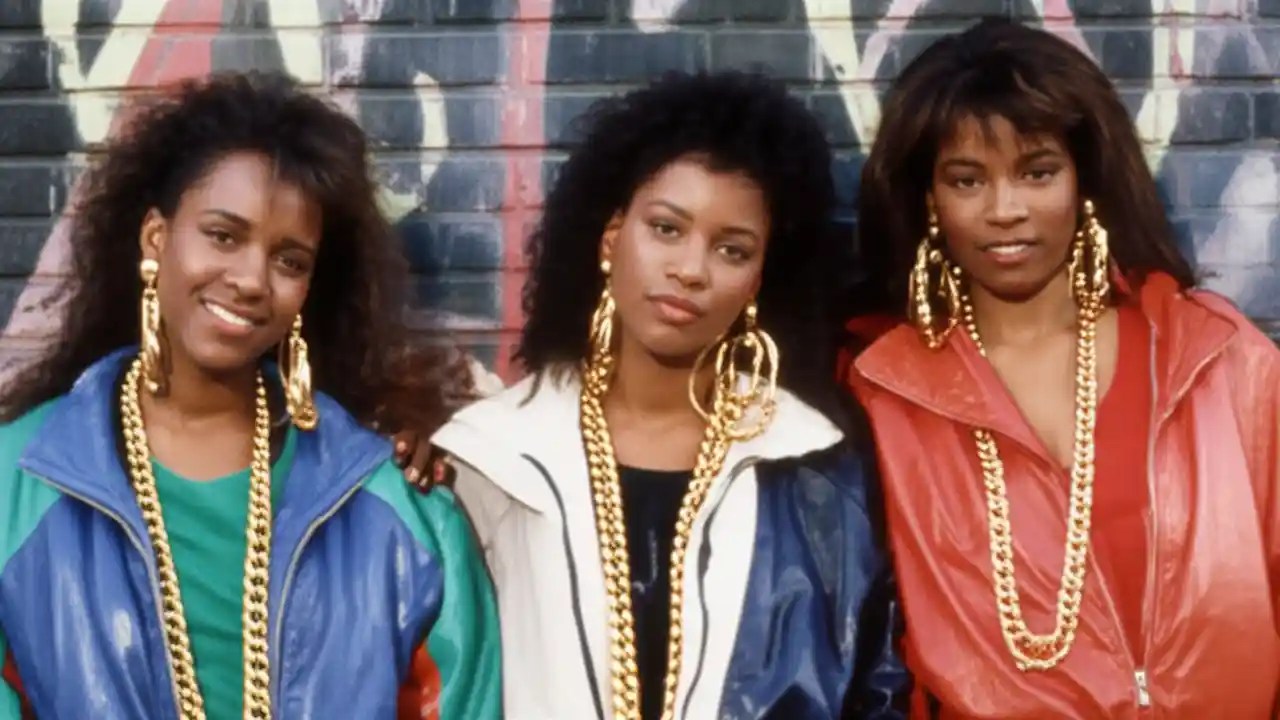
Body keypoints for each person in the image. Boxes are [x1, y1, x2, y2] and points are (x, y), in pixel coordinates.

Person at [0, 72, 500, 719]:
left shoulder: (393, 504)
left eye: (289, 260)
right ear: (156, 238)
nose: (251, 280)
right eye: (223, 235)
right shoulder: (19, 482)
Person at [416, 71, 909, 720]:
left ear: (758, 280)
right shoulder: (490, 459)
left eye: (732, 250)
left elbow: (875, 690)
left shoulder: (814, 466)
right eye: (667, 229)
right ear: (611, 238)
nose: (690, 270)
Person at [845, 17, 1280, 718]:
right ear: (929, 200)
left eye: (1037, 172)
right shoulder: (884, 393)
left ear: (1083, 181)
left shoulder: (1211, 356)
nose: (1005, 210)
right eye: (967, 180)